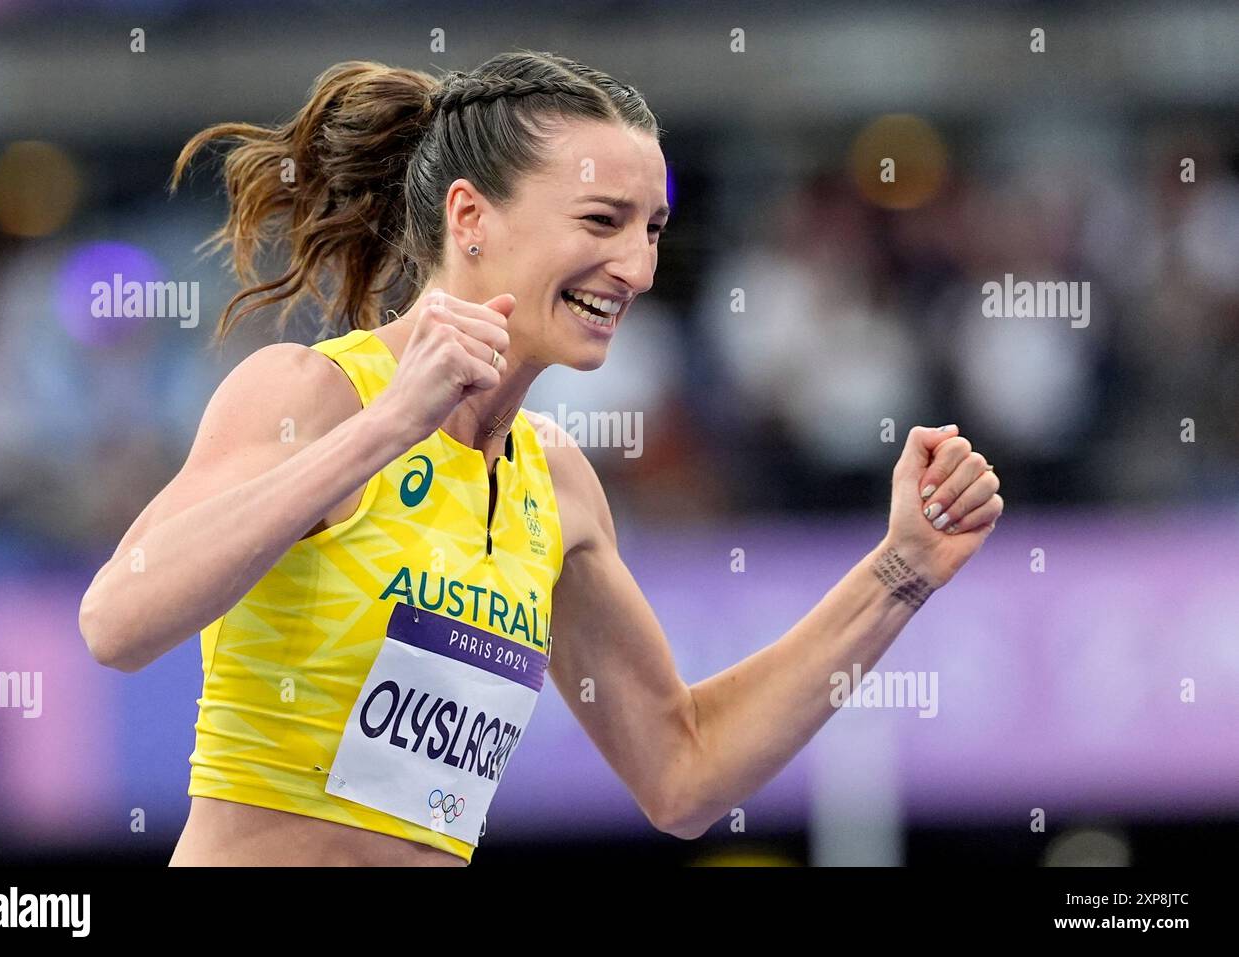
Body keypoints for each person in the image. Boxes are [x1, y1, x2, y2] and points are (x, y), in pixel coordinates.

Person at [78, 51, 1003, 866]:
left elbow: (685, 772)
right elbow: (116, 622)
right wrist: (388, 428)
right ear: (471, 216)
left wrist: (901, 572)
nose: (636, 268)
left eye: (652, 229)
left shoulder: (554, 483)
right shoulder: (312, 397)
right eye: (602, 220)